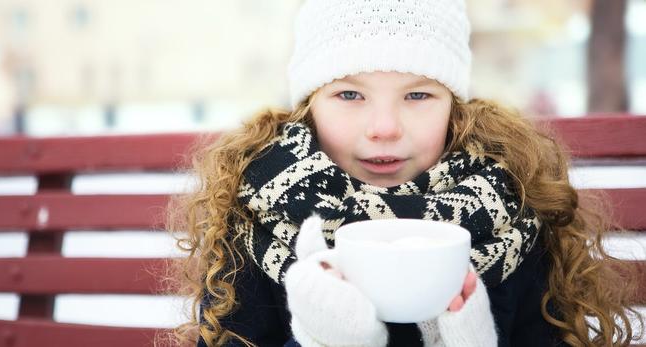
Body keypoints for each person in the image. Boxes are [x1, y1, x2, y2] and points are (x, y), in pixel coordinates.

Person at [165, 0, 641, 346]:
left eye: (418, 96)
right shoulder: (261, 208)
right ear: (309, 106)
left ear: (455, 106)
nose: (385, 129)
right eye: (350, 95)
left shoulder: (512, 202)